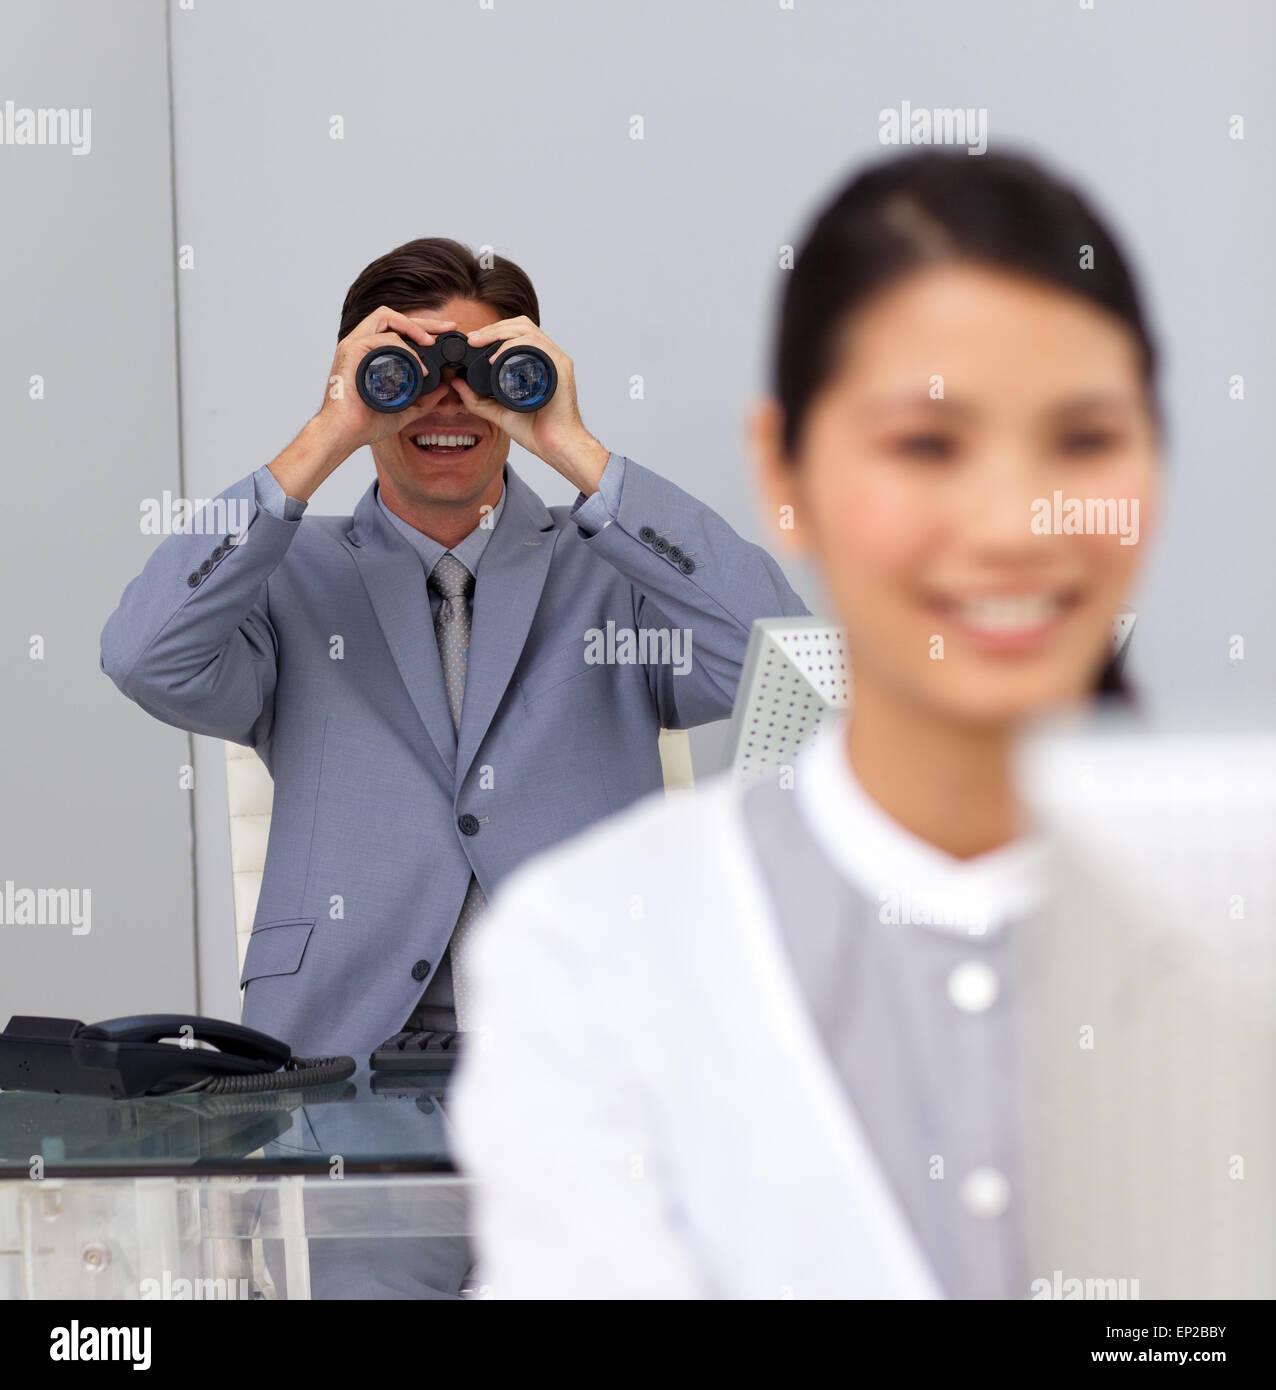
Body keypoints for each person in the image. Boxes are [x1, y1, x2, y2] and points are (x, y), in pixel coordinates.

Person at [451, 152, 1271, 1298]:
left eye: (1084, 441)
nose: (1011, 525)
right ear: (782, 469)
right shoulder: (594, 948)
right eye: (926, 445)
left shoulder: (1236, 906)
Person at [100, 237, 808, 1062]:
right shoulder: (285, 576)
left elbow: (785, 659)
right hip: (342, 1055)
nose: (449, 405)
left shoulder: (615, 569)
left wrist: (575, 450)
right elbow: (143, 655)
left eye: (480, 373)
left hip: (595, 1049)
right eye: (407, 373)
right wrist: (326, 435)